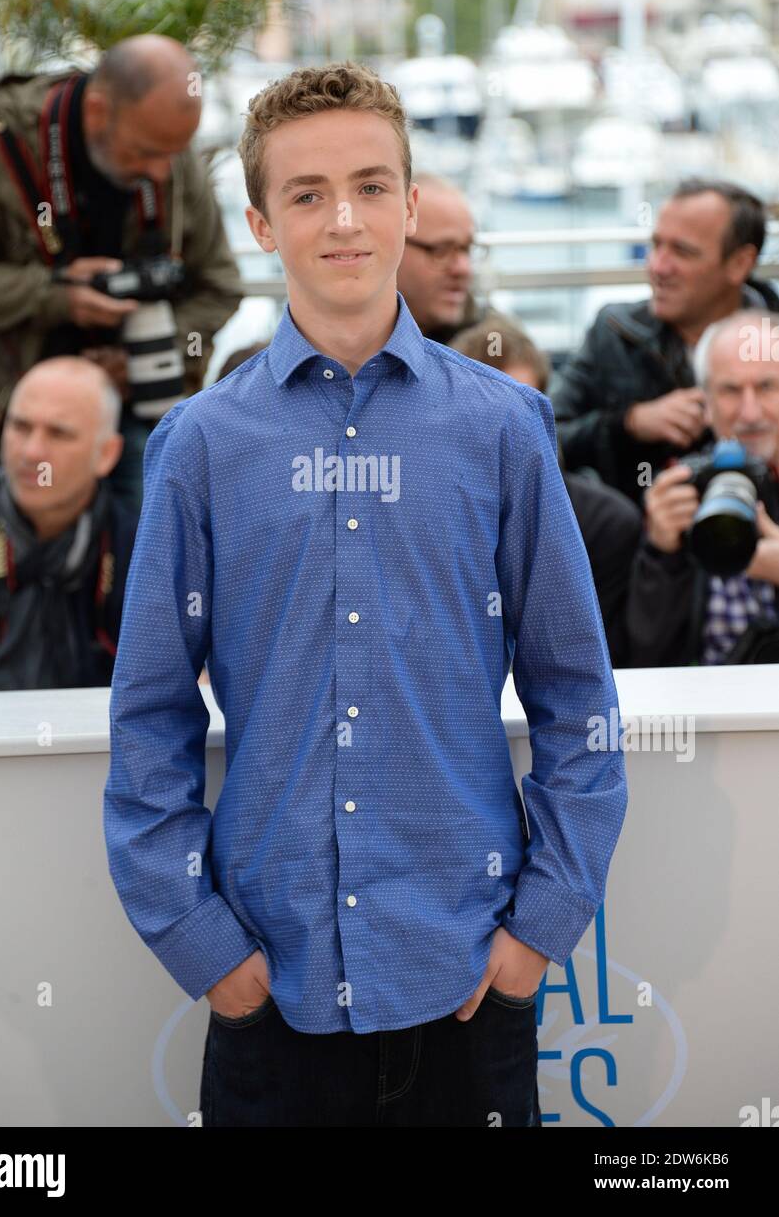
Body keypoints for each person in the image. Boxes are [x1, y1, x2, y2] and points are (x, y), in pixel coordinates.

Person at [104, 60, 627, 1128]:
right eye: (306, 193)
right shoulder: (200, 448)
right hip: (271, 1001)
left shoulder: (502, 431)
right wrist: (214, 959)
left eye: (371, 185)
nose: (344, 218)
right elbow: (148, 717)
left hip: (466, 990)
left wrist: (537, 935)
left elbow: (579, 699)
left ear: (411, 203)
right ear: (259, 220)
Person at [0, 34, 243, 532]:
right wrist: (57, 297)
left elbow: (219, 286)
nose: (161, 172)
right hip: (0, 426)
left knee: (137, 582)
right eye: (146, 152)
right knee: (1, 590)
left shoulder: (169, 152)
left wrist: (144, 359)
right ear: (96, 111)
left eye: (172, 155)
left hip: (130, 422)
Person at [0, 357, 137, 693]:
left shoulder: (138, 549)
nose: (32, 452)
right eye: (20, 426)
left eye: (59, 433)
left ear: (107, 454)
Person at [550, 178, 778, 506]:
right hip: (644, 545)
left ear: (739, 263)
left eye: (682, 252)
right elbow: (542, 439)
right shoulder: (615, 333)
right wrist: (630, 423)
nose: (658, 266)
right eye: (656, 245)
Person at [450, 314, 643, 668]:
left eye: (521, 408)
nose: (507, 430)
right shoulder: (418, 517)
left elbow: (600, 664)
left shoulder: (606, 524)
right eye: (486, 412)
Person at [627, 308, 779, 666]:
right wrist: (662, 555)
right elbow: (645, 661)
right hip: (706, 715)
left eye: (767, 386)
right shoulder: (685, 485)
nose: (749, 412)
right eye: (729, 390)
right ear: (705, 404)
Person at [396, 171, 482, 343]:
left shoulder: (494, 350)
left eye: (466, 249)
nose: (463, 268)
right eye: (441, 251)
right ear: (394, 245)